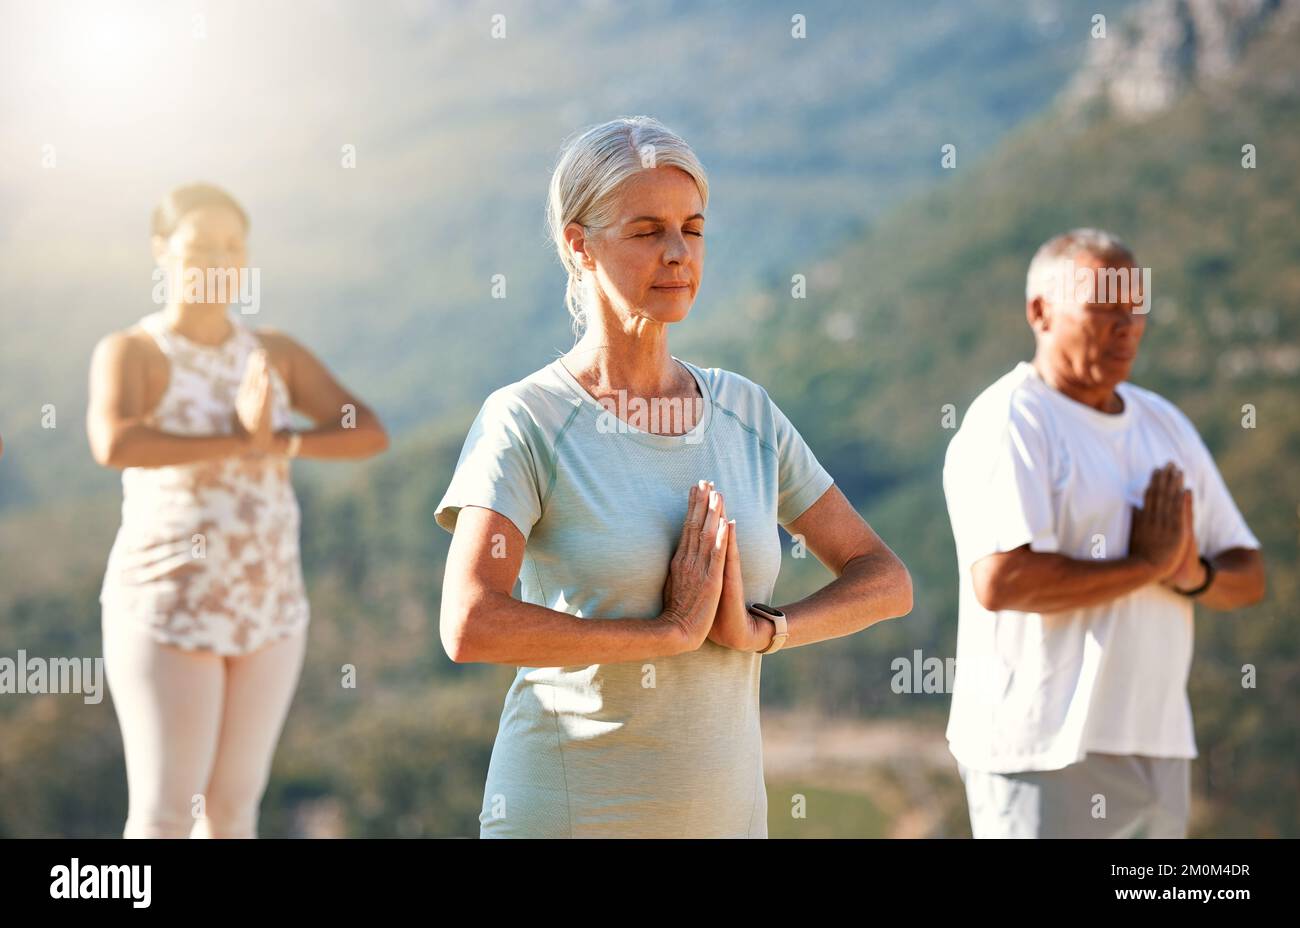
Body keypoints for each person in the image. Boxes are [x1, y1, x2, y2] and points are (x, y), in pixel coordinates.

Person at [434, 115, 913, 838]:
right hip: (566, 816)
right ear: (578, 245)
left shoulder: (745, 411)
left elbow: (885, 579)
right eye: (646, 230)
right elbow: (470, 622)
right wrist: (663, 634)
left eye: (692, 228)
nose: (677, 253)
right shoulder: (526, 419)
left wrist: (766, 632)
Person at [87, 182, 389, 837]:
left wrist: (282, 440)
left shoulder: (274, 352)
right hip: (170, 604)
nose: (218, 261)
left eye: (233, 247)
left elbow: (366, 427)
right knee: (168, 811)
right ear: (162, 251)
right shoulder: (133, 351)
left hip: (271, 607)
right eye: (200, 247)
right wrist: (243, 439)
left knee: (232, 810)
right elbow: (113, 441)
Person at [942, 228, 1266, 838]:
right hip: (1040, 751)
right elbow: (1003, 580)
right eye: (1103, 308)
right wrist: (1145, 566)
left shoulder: (1164, 423)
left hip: (1159, 747)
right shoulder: (1011, 419)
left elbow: (1247, 574)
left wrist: (1190, 573)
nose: (1127, 327)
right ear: (1041, 312)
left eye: (1135, 309)